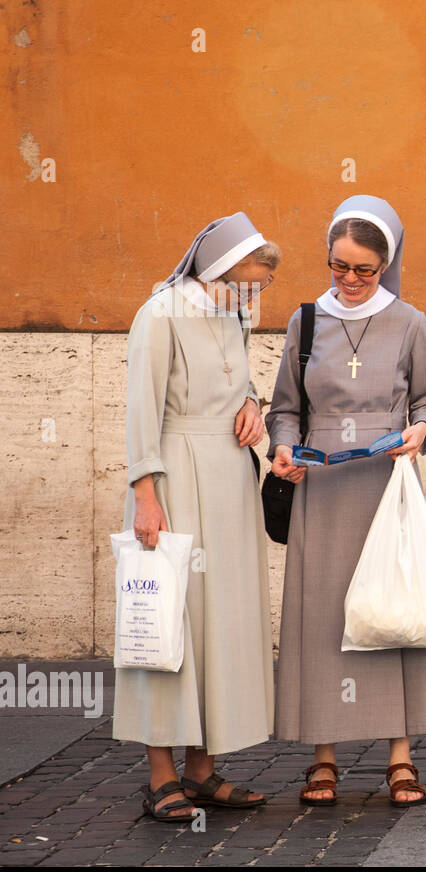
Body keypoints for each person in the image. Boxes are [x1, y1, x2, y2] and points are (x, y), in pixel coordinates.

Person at [266, 194, 426, 807]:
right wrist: (284, 449)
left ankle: (401, 757)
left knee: (390, 606)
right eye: (338, 266)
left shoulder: (410, 322)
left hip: (384, 482)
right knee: (326, 616)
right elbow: (286, 407)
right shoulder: (306, 322)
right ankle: (325, 755)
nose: (349, 280)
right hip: (321, 485)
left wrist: (420, 431)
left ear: (386, 265)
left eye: (363, 270)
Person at [116, 212, 279, 821]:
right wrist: (146, 494)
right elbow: (141, 407)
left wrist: (253, 405)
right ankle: (161, 775)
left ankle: (203, 771)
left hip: (230, 478)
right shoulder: (159, 315)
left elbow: (237, 381)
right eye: (250, 284)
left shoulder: (230, 312)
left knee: (222, 624)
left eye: (260, 288)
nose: (254, 298)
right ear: (219, 270)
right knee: (173, 623)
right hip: (175, 479)